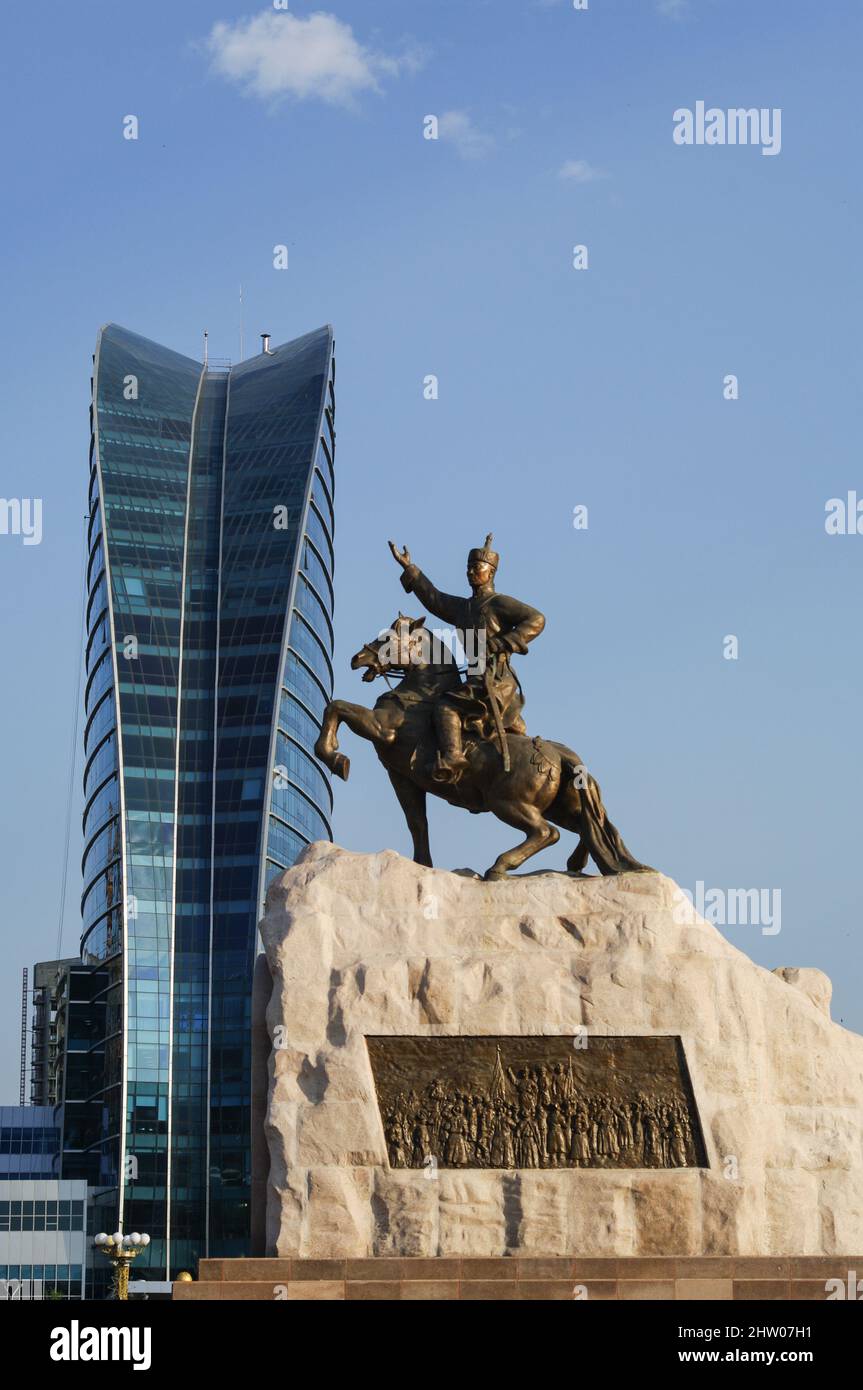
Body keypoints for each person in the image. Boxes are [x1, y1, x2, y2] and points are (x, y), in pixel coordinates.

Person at [388, 535, 545, 781]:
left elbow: (536, 619)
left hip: (494, 679)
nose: (471, 572)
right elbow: (434, 599)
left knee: (445, 706)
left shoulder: (499, 603)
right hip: (474, 679)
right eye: (468, 568)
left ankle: (452, 758)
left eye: (476, 568)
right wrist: (410, 568)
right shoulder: (463, 607)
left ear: (490, 572)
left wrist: (502, 643)